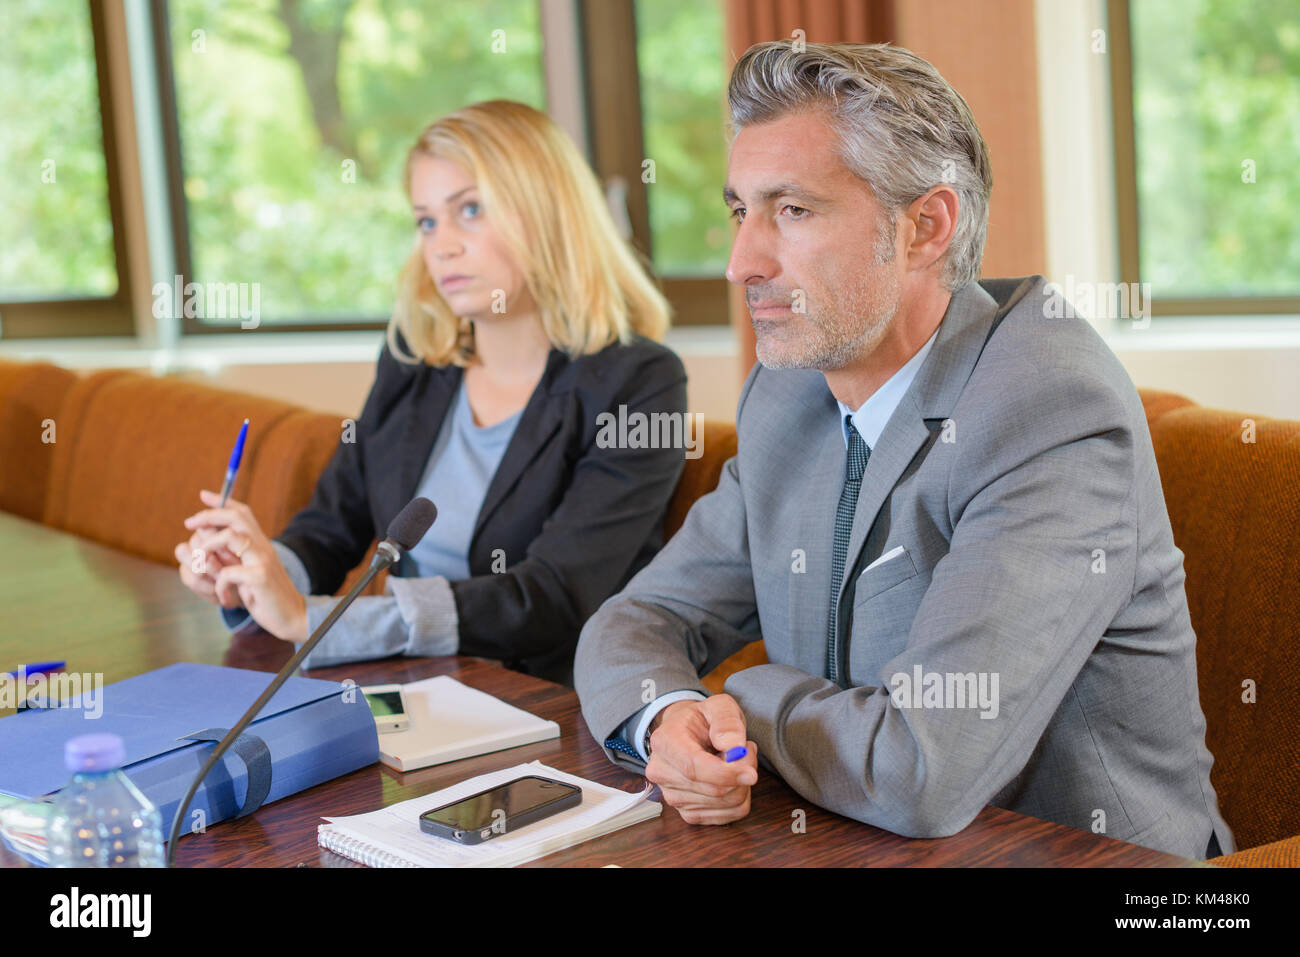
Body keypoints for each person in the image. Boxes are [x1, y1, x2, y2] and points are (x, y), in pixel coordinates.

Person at [574, 41, 1235, 859]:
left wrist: (733, 700)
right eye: (742, 210)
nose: (743, 260)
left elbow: (921, 767)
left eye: (794, 210)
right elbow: (637, 618)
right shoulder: (789, 395)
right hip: (846, 842)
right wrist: (667, 718)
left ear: (926, 226)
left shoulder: (1048, 407)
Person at [175, 100, 688, 687]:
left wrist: (316, 622)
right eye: (426, 221)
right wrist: (252, 572)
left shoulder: (642, 383)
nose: (441, 246)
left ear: (548, 213)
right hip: (415, 684)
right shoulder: (412, 361)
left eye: (469, 210)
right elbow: (330, 527)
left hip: (550, 704)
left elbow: (554, 597)